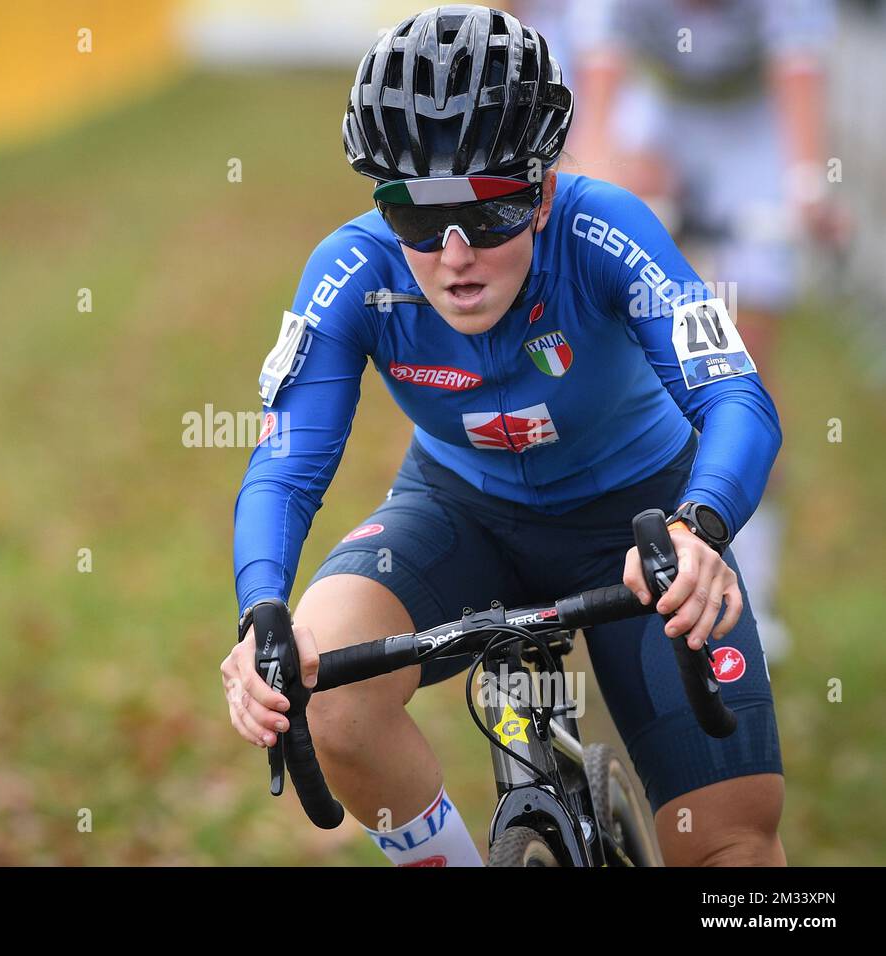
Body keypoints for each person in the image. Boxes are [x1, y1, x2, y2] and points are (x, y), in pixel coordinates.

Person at [221, 4, 785, 867]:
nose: (454, 253)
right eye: (416, 214)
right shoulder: (352, 270)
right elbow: (284, 468)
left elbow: (738, 399)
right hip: (461, 512)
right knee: (330, 694)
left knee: (731, 851)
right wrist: (261, 609)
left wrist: (701, 525)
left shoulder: (605, 228)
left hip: (643, 523)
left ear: (545, 190)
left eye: (489, 211)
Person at [562, 0, 850, 663]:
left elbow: (798, 72)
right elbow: (601, 80)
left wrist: (807, 186)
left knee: (747, 358)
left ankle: (758, 586)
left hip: (754, 128)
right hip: (659, 116)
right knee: (634, 332)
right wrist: (605, 176)